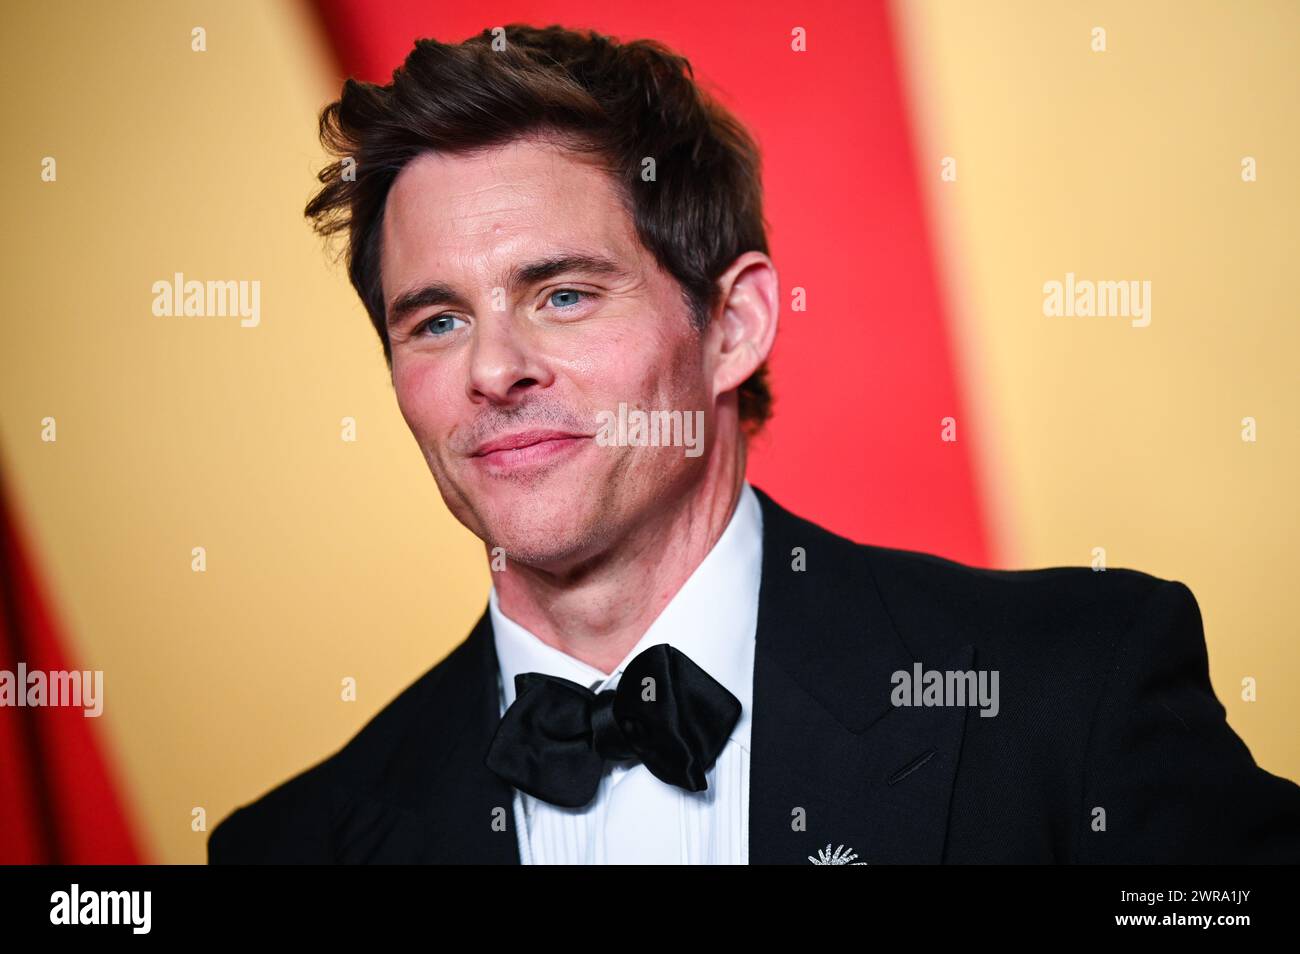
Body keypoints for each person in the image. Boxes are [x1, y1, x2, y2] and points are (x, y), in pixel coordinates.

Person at [207, 24, 1300, 864]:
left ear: (732, 325)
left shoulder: (1070, 692)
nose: (494, 370)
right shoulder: (290, 849)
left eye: (565, 294)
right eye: (436, 320)